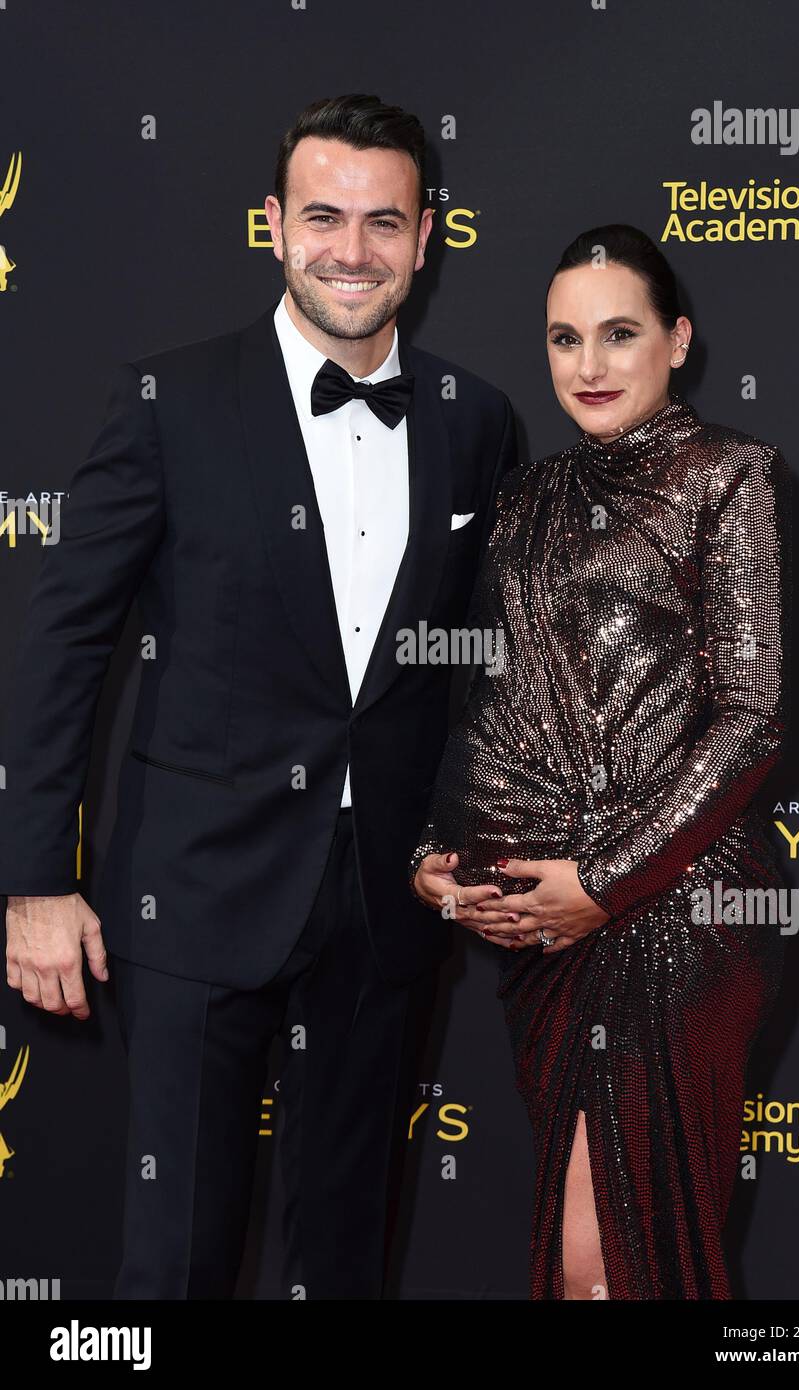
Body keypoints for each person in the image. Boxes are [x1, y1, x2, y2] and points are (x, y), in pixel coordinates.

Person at [0, 94, 517, 1299]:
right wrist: (34, 880)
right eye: (324, 216)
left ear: (428, 236)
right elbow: (65, 643)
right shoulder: (168, 403)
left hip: (387, 908)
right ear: (274, 224)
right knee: (174, 1257)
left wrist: (458, 839)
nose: (352, 250)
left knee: (345, 1258)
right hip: (195, 893)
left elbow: (470, 661)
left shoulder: (474, 420)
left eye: (383, 222)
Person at [411, 224, 791, 1300]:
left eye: (619, 334)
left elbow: (750, 720)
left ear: (677, 339)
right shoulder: (524, 500)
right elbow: (490, 697)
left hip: (679, 917)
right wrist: (434, 854)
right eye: (564, 338)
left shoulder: (731, 474)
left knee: (606, 1258)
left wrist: (608, 882)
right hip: (548, 936)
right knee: (611, 1263)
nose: (588, 365)